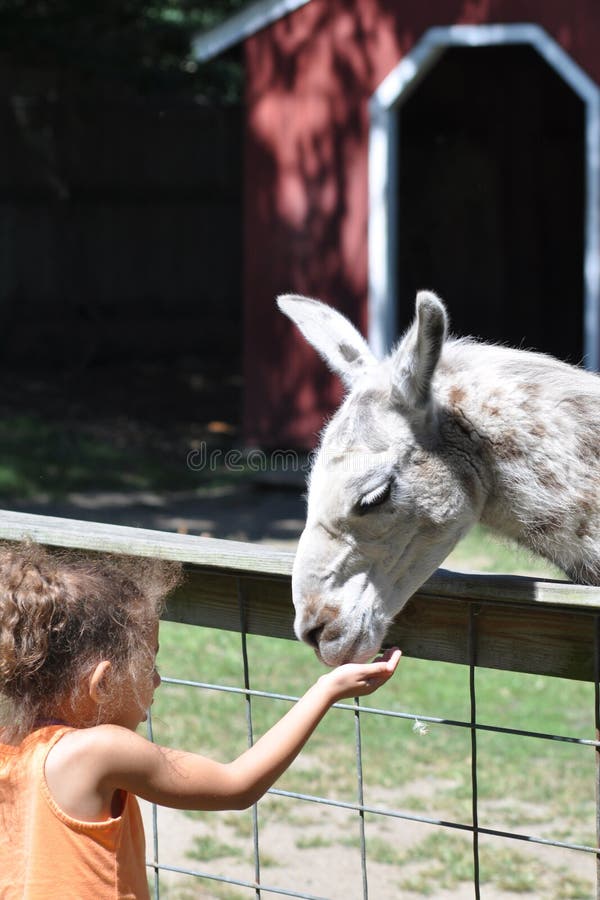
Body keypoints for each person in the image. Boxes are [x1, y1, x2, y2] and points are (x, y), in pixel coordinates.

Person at [0, 541, 401, 899]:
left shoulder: (8, 745)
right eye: (149, 662)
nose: (158, 678)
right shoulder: (97, 751)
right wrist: (326, 691)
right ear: (101, 684)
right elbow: (237, 786)